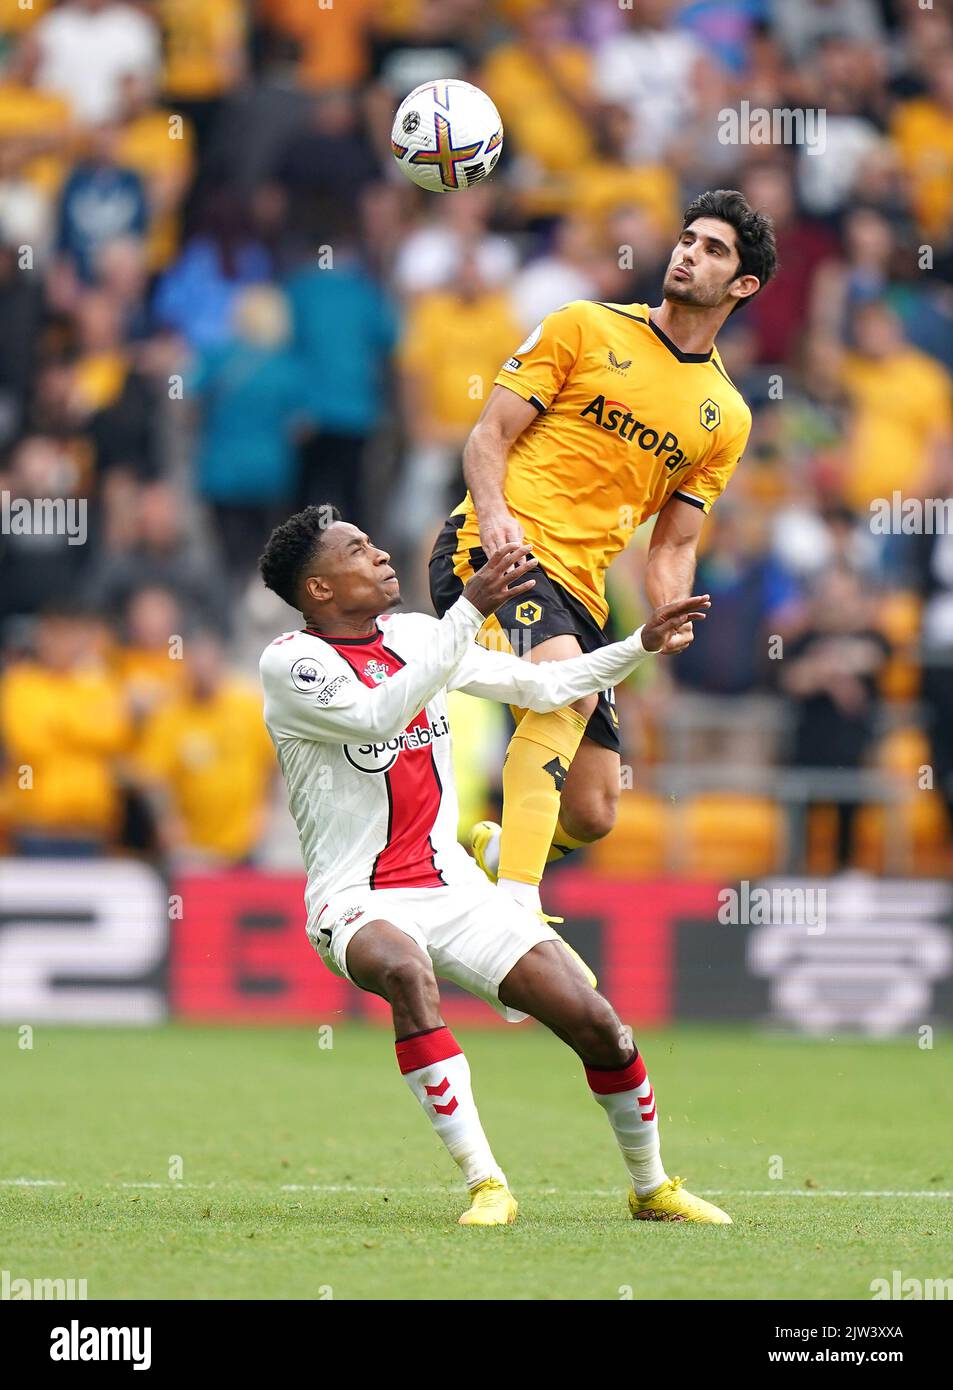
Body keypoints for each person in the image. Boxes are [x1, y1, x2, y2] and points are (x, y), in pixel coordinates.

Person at [258, 505, 729, 1226]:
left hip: (452, 887)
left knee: (596, 1022)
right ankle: (487, 1185)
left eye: (373, 540)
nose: (381, 553)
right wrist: (469, 607)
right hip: (358, 898)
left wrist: (639, 642)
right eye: (357, 550)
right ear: (319, 589)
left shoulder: (417, 633)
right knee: (406, 974)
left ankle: (652, 1187)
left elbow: (542, 687)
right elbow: (374, 717)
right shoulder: (293, 662)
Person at [428, 188, 777, 919]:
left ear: (742, 286)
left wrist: (668, 602)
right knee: (566, 690)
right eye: (687, 239)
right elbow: (486, 436)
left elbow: (674, 541)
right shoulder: (582, 325)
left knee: (593, 811)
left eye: (713, 250)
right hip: (494, 555)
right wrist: (493, 516)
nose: (688, 254)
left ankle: (498, 854)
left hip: (583, 596)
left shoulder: (727, 417)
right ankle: (515, 916)